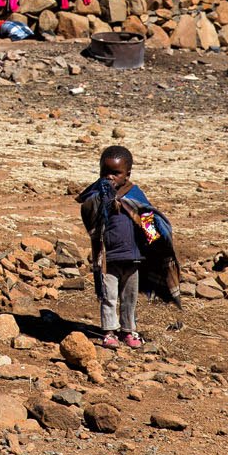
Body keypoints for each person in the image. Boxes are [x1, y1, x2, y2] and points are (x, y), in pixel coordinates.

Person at [77, 145, 148, 349]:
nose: (109, 177)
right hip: (107, 257)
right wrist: (103, 200)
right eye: (104, 172)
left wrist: (153, 245)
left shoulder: (135, 194)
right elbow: (87, 210)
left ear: (127, 175)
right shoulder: (97, 192)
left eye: (116, 173)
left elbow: (147, 218)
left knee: (129, 297)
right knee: (108, 296)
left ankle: (128, 330)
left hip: (133, 256)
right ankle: (109, 331)